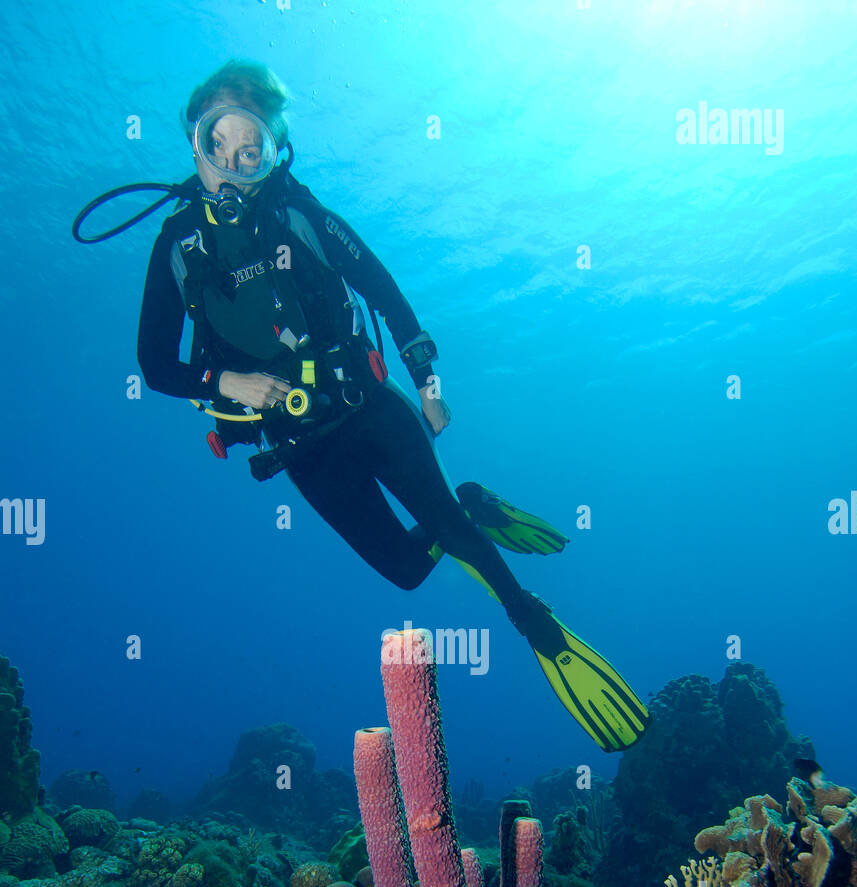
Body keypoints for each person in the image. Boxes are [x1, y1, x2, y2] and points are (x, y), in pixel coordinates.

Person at [137, 61, 649, 751]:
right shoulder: (176, 249)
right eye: (215, 146)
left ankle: (533, 621)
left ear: (273, 150)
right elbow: (153, 364)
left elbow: (384, 290)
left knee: (454, 536)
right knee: (407, 571)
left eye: (250, 148)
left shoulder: (300, 216)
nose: (233, 166)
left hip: (370, 407)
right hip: (299, 445)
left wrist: (429, 386)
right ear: (192, 148)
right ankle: (469, 501)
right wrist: (227, 386)